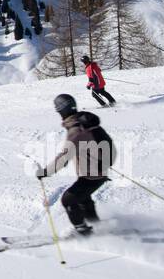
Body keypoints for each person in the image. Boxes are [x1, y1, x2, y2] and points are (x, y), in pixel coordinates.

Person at [35, 94, 115, 236]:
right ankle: (96, 225)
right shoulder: (85, 124)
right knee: (83, 199)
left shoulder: (76, 130)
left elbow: (65, 157)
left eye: (59, 111)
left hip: (92, 175)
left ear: (61, 111)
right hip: (96, 173)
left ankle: (83, 231)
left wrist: (45, 172)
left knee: (68, 199)